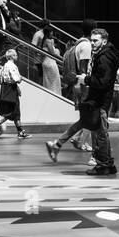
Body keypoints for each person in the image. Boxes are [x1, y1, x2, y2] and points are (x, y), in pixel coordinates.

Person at [45, 19, 97, 161]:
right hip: (84, 87)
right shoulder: (86, 46)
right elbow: (84, 69)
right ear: (93, 32)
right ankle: (97, 156)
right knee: (95, 119)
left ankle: (57, 144)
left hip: (79, 86)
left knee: (86, 120)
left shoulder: (77, 44)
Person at [76, 28, 119, 175]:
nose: (92, 43)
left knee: (100, 134)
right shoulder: (108, 54)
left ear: (104, 41)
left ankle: (103, 165)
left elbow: (103, 82)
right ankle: (107, 164)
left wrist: (86, 79)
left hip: (100, 100)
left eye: (95, 40)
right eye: (92, 40)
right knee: (101, 133)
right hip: (102, 100)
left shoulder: (104, 57)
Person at [0, 50, 28, 139]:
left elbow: (1, 79)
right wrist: (20, 78)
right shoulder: (12, 66)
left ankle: (20, 131)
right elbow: (16, 79)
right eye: (15, 55)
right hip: (11, 91)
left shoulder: (5, 65)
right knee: (10, 112)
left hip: (7, 90)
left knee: (16, 112)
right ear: (12, 56)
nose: (17, 56)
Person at [40, 30, 62, 96]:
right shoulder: (48, 41)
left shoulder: (44, 40)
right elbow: (52, 53)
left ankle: (48, 94)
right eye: (51, 32)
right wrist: (62, 58)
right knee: (55, 80)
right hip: (50, 62)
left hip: (46, 62)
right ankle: (55, 95)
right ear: (48, 33)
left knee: (48, 80)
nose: (52, 34)